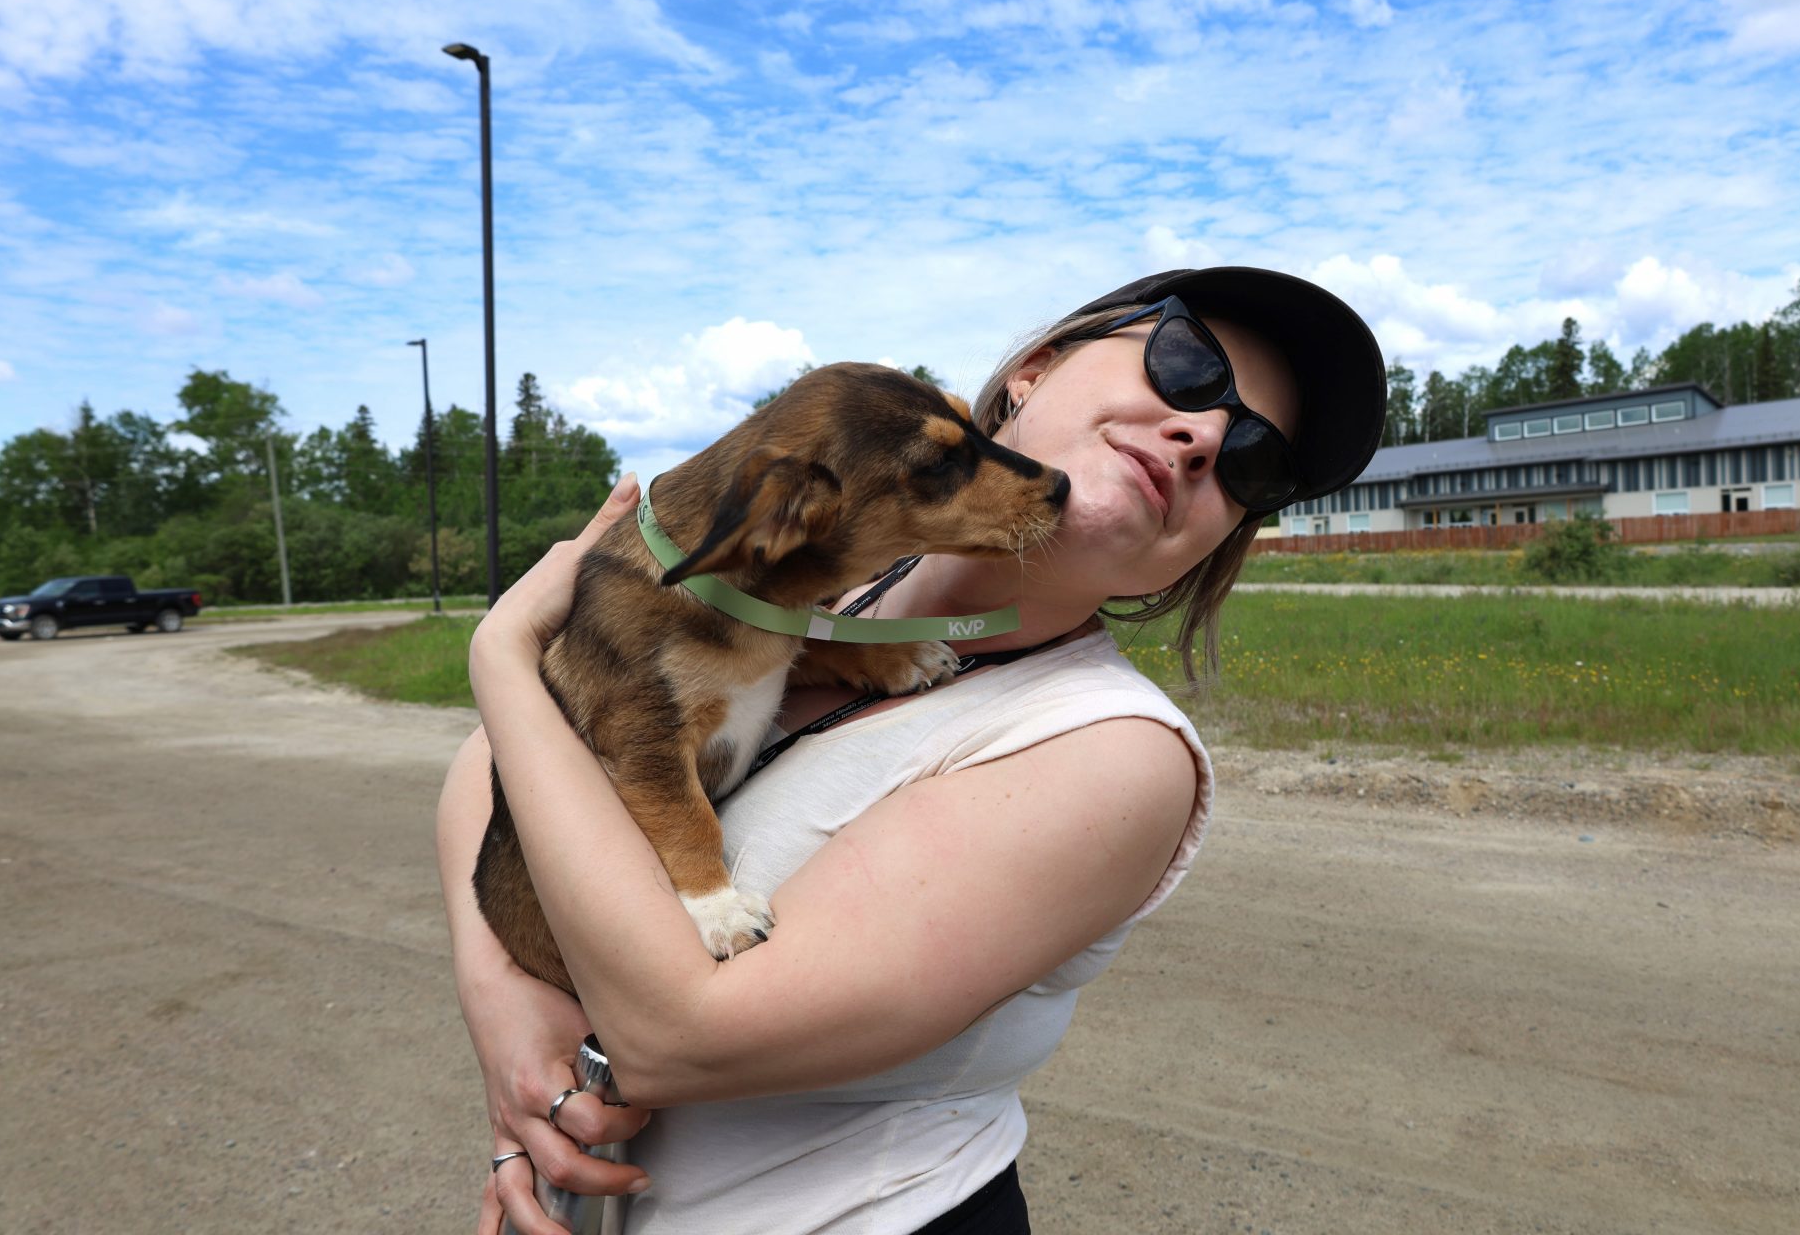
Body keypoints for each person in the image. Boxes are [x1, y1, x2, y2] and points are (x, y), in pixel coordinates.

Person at [436, 266, 1384, 1235]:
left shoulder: (1108, 751)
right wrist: (506, 1001)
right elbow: (498, 764)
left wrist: (502, 651)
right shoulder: (801, 593)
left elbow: (678, 1036)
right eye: (1189, 368)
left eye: (1257, 462)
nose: (1209, 434)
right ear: (1034, 369)